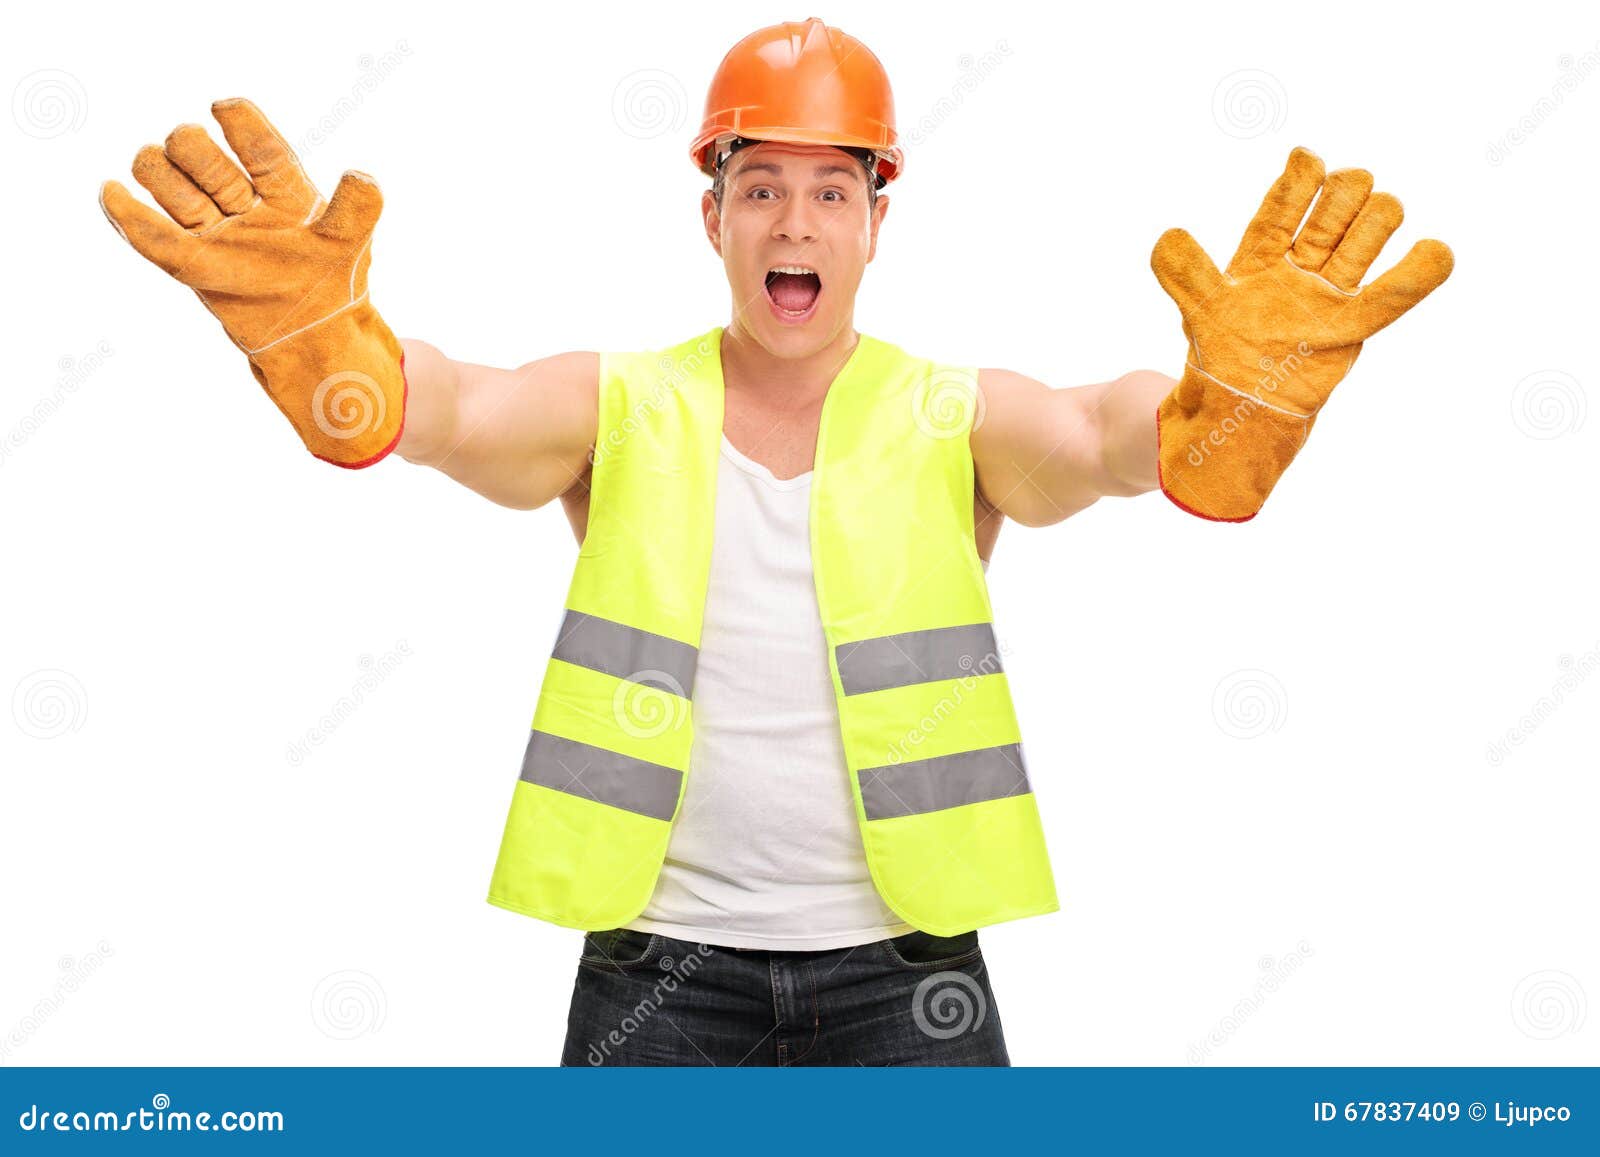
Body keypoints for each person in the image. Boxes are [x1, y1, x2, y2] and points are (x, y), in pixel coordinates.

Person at [97, 17, 1452, 1066]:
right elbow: (460, 408)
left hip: (905, 970)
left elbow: (1102, 433)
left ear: (875, 223)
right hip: (657, 972)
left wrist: (1221, 417)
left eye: (829, 192)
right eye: (759, 189)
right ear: (713, 218)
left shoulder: (951, 413)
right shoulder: (617, 402)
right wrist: (340, 354)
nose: (793, 222)